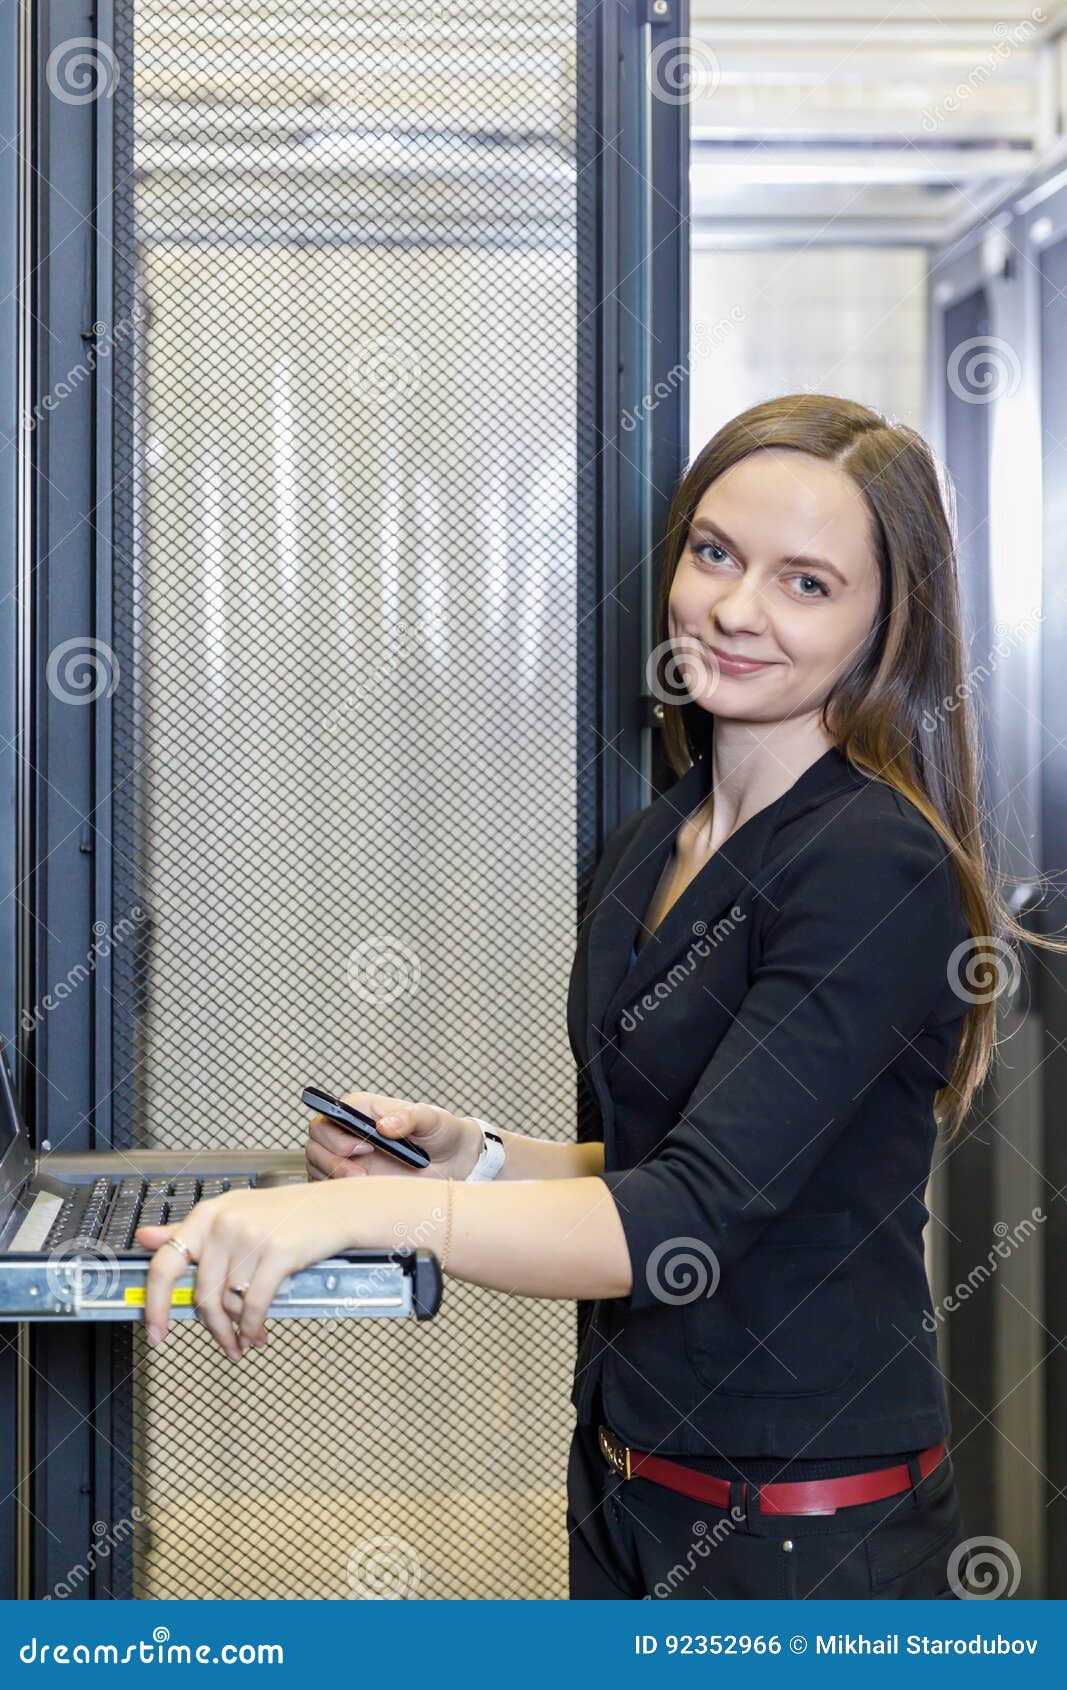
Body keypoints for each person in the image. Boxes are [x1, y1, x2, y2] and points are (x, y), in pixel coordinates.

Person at [134, 392, 1061, 1599]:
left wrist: (364, 1215)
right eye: (714, 553)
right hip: (627, 1486)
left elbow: (682, 1221)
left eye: (805, 583)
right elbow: (668, 1156)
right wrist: (475, 1160)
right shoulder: (656, 839)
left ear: (886, 625)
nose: (734, 609)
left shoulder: (872, 867)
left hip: (799, 1539)